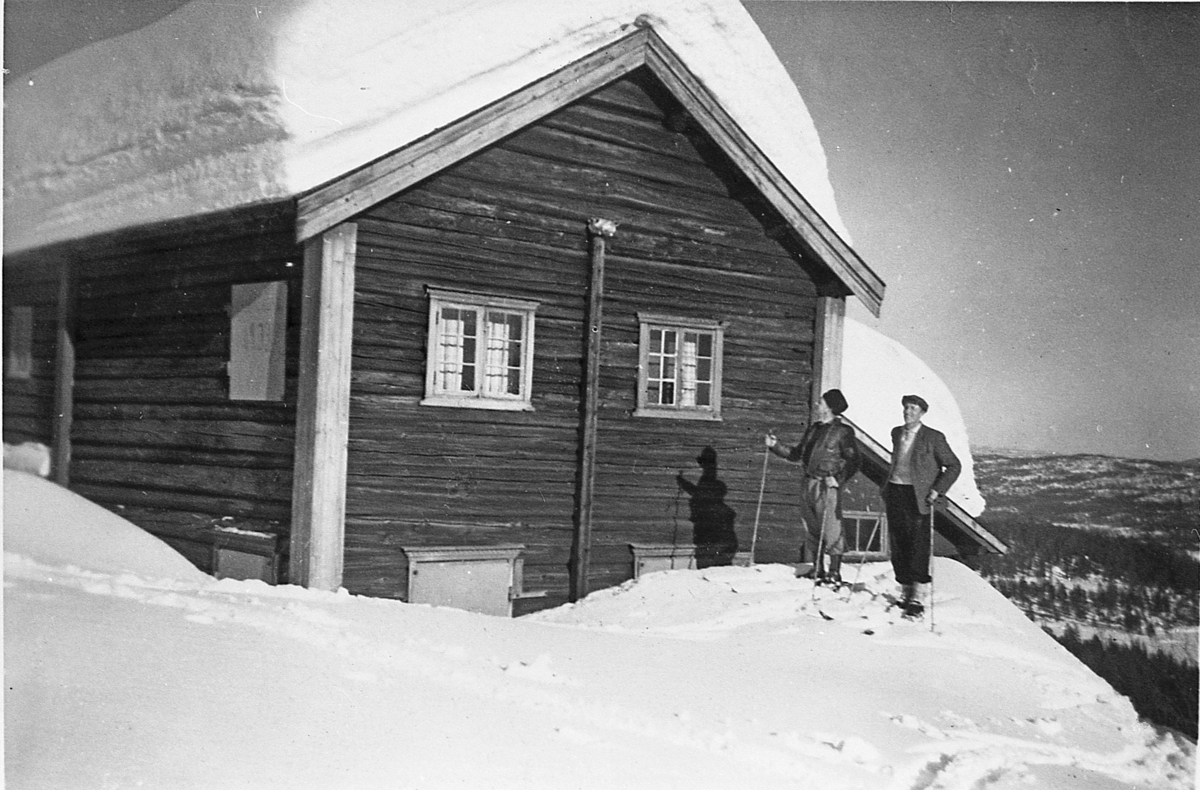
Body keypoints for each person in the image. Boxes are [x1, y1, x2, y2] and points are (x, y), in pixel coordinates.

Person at [765, 389, 861, 584]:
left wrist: (838, 478)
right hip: (808, 482)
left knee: (832, 528)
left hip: (827, 484)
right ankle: (818, 568)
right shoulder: (814, 429)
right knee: (812, 527)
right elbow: (796, 454)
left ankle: (834, 573)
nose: (817, 405)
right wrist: (775, 446)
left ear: (830, 407)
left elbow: (855, 460)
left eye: (821, 402)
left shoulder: (843, 432)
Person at [883, 394, 961, 617]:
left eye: (914, 409)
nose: (908, 412)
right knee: (898, 542)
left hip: (919, 496)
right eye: (906, 408)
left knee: (918, 542)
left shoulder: (933, 437)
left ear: (922, 413)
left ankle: (918, 595)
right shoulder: (897, 433)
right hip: (896, 490)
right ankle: (906, 590)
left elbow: (954, 465)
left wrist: (937, 489)